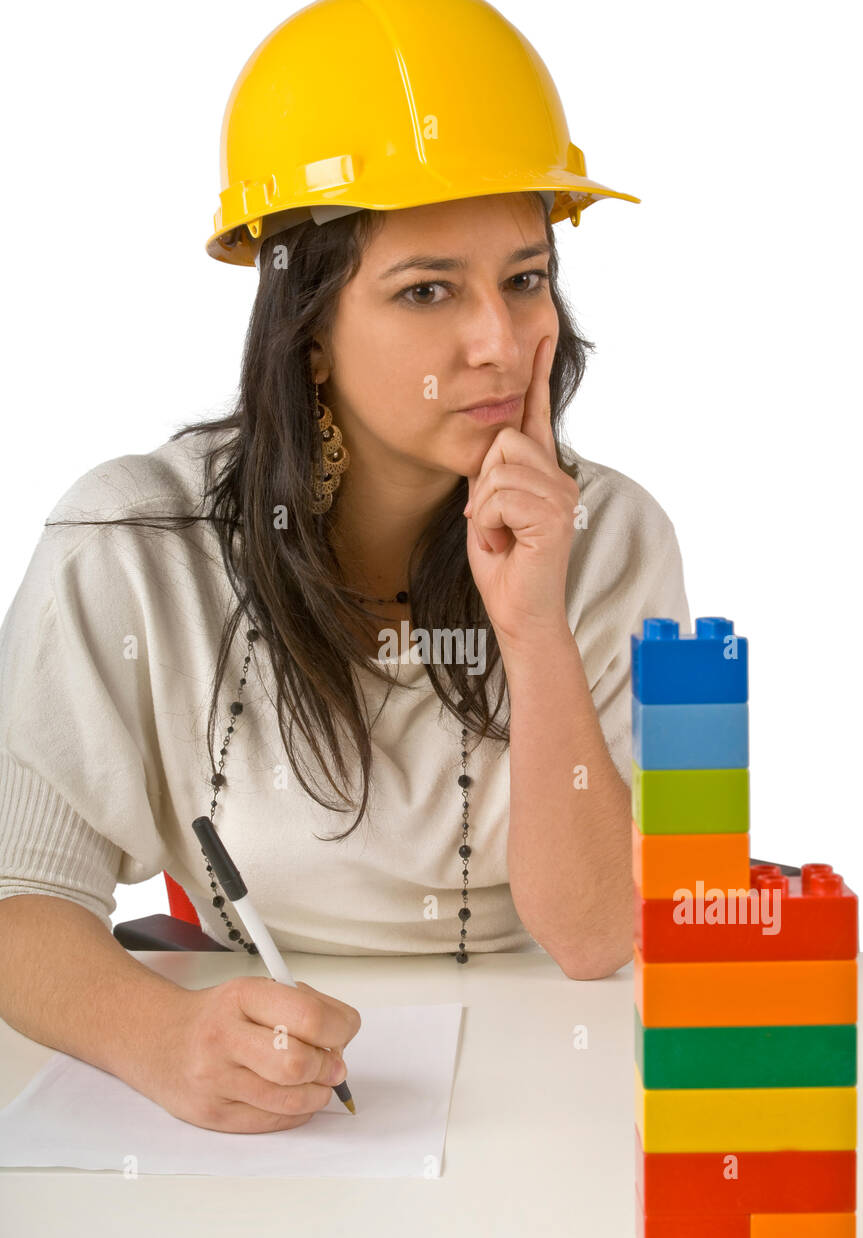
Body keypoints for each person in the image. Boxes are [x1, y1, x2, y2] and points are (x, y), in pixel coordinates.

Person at [0, 0, 690, 1134]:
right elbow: (23, 895)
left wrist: (530, 627)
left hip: (543, 1098)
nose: (498, 341)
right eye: (427, 290)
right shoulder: (127, 545)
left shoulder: (610, 536)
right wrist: (161, 1036)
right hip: (258, 1114)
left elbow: (593, 935)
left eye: (522, 278)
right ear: (307, 327)